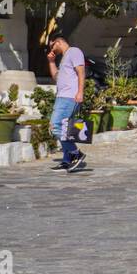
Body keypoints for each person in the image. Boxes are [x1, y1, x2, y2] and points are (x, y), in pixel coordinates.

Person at [47, 35, 89, 172]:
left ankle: (75, 153)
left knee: (55, 126)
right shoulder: (64, 58)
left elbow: (81, 72)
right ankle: (66, 161)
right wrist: (51, 62)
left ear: (58, 42)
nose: (52, 49)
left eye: (52, 46)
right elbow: (56, 77)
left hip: (69, 97)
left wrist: (80, 92)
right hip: (62, 97)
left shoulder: (74, 51)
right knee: (64, 129)